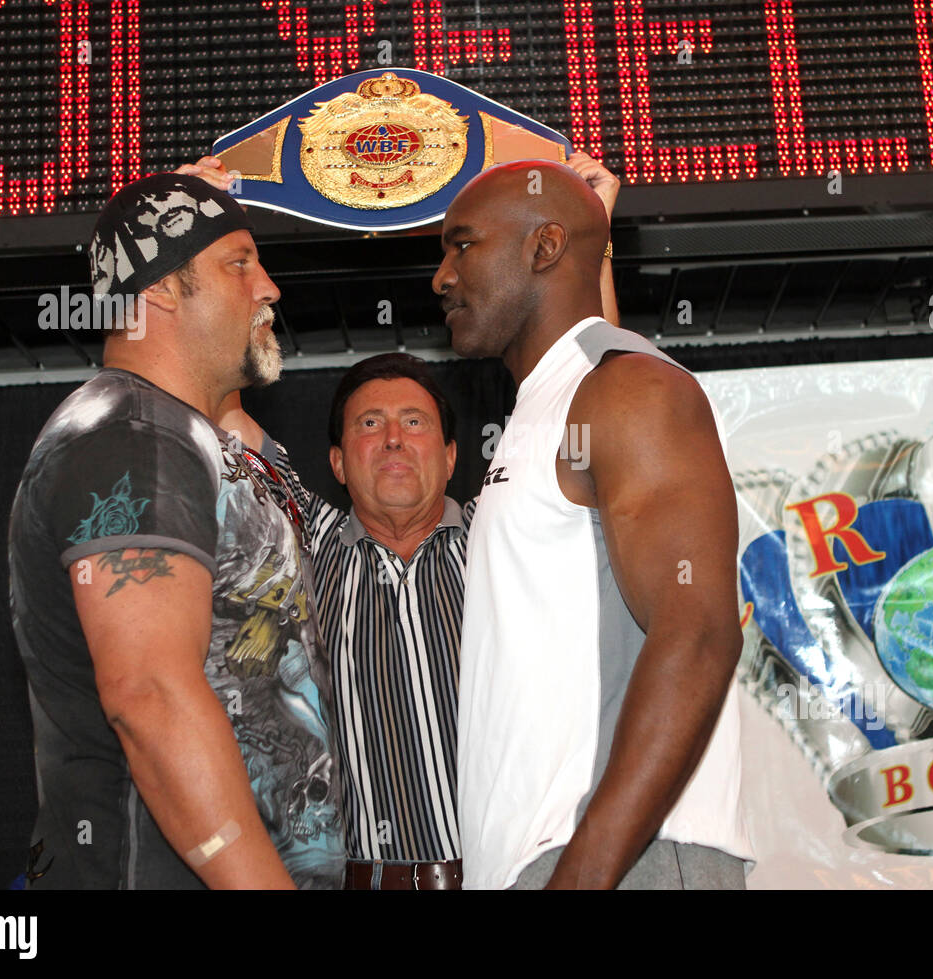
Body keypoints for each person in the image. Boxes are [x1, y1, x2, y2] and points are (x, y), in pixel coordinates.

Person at [184, 152, 623, 889]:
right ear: (336, 462)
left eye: (415, 422)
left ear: (452, 455)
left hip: (505, 871)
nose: (392, 438)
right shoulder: (302, 539)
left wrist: (591, 236)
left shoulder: (499, 533)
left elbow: (599, 397)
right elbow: (216, 402)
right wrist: (199, 227)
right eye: (370, 425)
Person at [8, 172, 345, 889]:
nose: (270, 288)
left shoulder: (188, 439)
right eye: (239, 263)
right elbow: (148, 693)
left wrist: (182, 209)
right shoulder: (129, 435)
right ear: (160, 289)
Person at [433, 161, 755, 889]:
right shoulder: (553, 404)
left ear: (544, 248)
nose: (441, 277)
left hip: (619, 860)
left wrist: (579, 876)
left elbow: (699, 630)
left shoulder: (627, 387)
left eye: (462, 246)